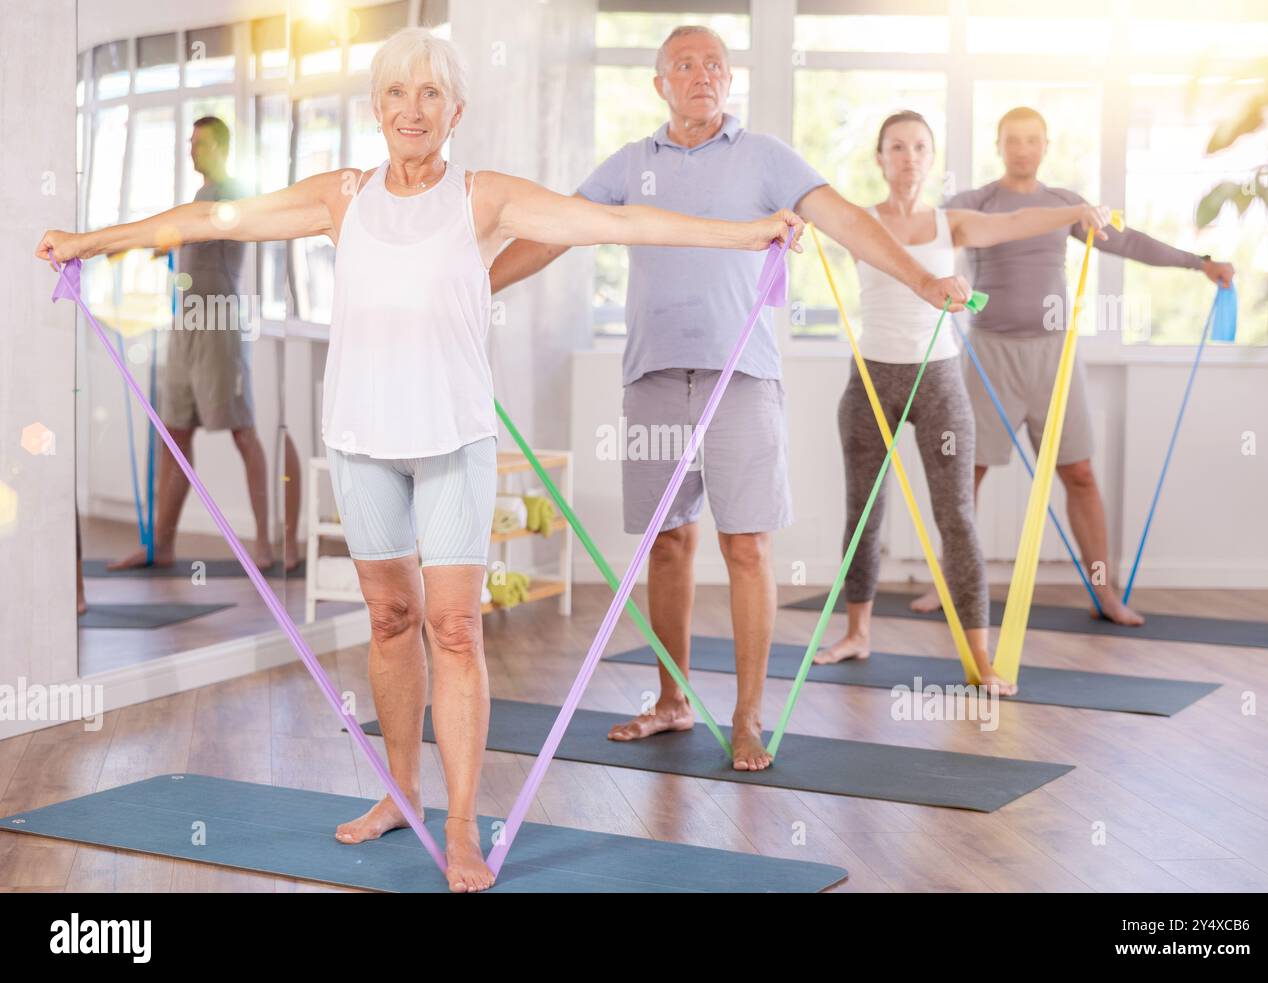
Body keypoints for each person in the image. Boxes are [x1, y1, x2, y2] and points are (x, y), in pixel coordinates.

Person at [37, 27, 801, 893]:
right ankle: (401, 792)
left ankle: (466, 823)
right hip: (361, 437)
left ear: (455, 112)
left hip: (454, 437)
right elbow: (214, 217)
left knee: (457, 627)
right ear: (377, 108)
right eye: (398, 93)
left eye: (431, 95)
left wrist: (745, 237)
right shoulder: (341, 197)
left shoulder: (483, 197)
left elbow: (616, 220)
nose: (413, 109)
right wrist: (92, 240)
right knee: (390, 619)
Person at [490, 25, 971, 772]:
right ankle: (672, 699)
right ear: (660, 84)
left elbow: (847, 221)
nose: (702, 74)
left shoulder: (765, 157)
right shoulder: (629, 164)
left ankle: (747, 715)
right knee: (667, 542)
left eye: (715, 62)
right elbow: (555, 231)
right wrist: (473, 287)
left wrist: (924, 280)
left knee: (746, 544)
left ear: (729, 79)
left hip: (741, 376)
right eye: (684, 63)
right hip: (653, 375)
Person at [812, 111, 1112, 696]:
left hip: (940, 380)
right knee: (864, 514)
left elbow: (1022, 220)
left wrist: (1076, 211)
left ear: (930, 158)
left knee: (958, 519)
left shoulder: (953, 224)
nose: (907, 158)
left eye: (919, 147)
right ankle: (857, 632)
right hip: (872, 380)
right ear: (880, 158)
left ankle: (980, 657)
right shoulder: (859, 222)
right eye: (896, 147)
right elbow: (804, 214)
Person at [907, 106, 1235, 625]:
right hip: (989, 352)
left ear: (1046, 145)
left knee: (1080, 474)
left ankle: (1105, 593)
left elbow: (1129, 242)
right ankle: (947, 583)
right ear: (999, 145)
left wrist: (1200, 263)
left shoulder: (1066, 206)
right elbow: (921, 232)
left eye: (1032, 139)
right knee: (965, 475)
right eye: (1012, 139)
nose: (1022, 149)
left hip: (1053, 357)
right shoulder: (975, 203)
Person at [105, 116, 301, 574]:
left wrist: (137, 239)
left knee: (243, 433)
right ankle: (161, 546)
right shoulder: (199, 196)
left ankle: (266, 544)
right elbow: (181, 237)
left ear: (220, 148)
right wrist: (132, 246)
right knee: (174, 434)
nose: (191, 149)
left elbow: (192, 230)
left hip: (220, 327)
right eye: (190, 141)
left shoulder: (232, 193)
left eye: (200, 142)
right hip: (186, 327)